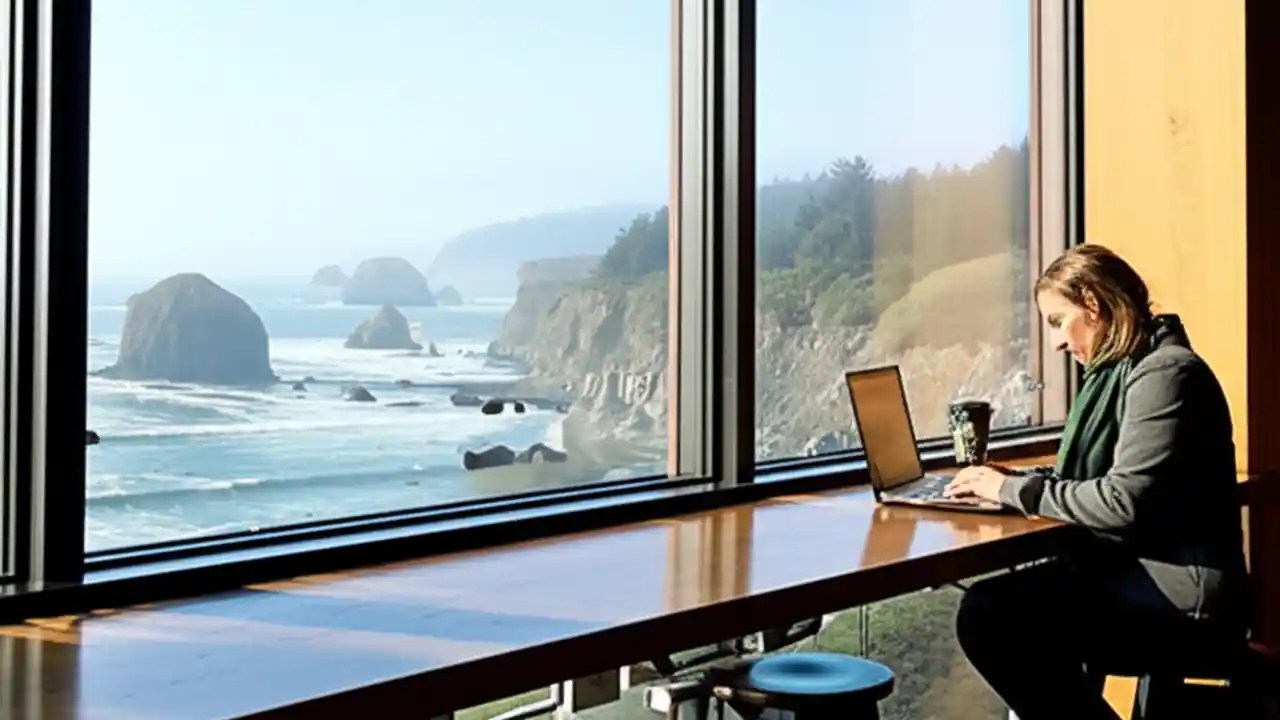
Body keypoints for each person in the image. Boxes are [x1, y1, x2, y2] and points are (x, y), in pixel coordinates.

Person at [942, 244, 1249, 719]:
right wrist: (1017, 482)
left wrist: (1012, 491)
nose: (1056, 344)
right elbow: (1110, 481)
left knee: (990, 617)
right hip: (1144, 577)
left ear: (1093, 304)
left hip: (1181, 599)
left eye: (1057, 321)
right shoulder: (1133, 372)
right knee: (1002, 609)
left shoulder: (1165, 375)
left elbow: (1122, 502)